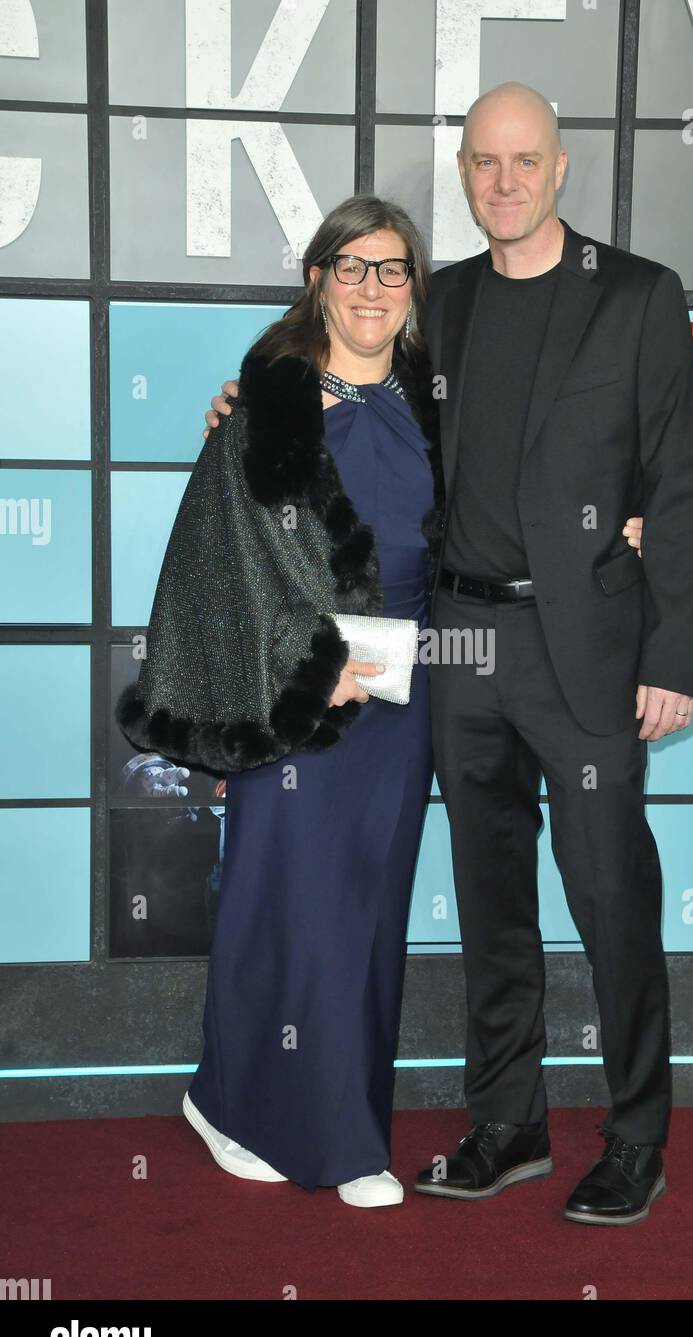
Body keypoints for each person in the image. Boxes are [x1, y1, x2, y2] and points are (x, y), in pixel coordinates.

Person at [204, 83, 693, 1227]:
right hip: (457, 644)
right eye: (484, 162)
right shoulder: (448, 303)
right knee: (491, 900)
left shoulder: (640, 294)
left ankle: (636, 1138)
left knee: (611, 896)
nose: (505, 180)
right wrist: (253, 403)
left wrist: (672, 656)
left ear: (561, 168)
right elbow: (348, 385)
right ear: (466, 175)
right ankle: (508, 1123)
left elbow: (679, 483)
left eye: (525, 160)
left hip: (588, 649)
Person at [117, 194, 446, 1207]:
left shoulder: (438, 402)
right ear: (317, 281)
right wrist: (307, 665)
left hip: (404, 696)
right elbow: (217, 572)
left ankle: (302, 1111)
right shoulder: (266, 412)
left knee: (369, 916)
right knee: (284, 905)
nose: (371, 289)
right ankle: (262, 1117)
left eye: (391, 269)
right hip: (297, 699)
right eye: (351, 267)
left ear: (412, 288)